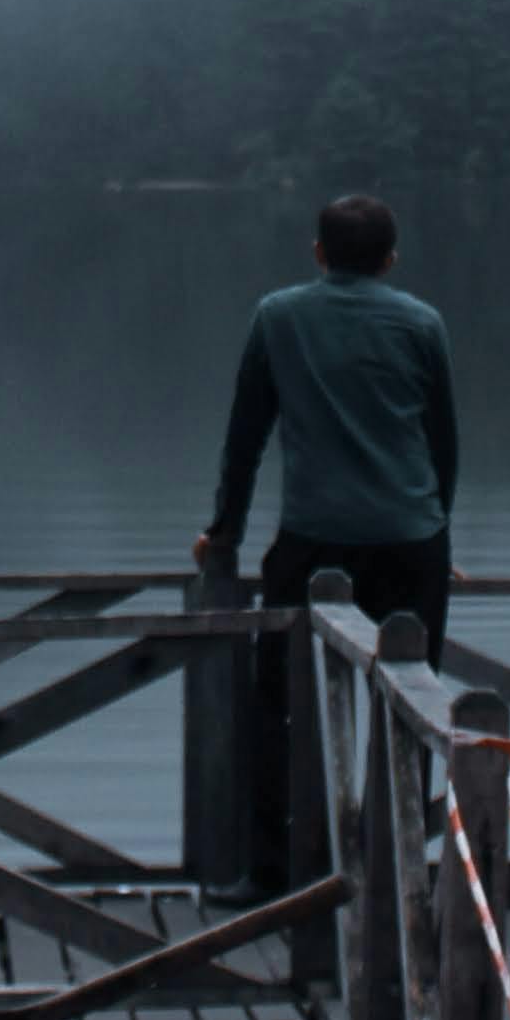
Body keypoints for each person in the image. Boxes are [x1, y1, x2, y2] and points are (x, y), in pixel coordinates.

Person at [194, 193, 457, 881]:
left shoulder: (278, 316)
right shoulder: (422, 323)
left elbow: (245, 439)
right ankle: (399, 872)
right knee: (412, 704)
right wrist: (440, 533)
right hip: (411, 541)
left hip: (313, 543)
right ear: (391, 260)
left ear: (317, 253)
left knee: (280, 708)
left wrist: (224, 534)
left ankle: (276, 873)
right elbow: (442, 446)